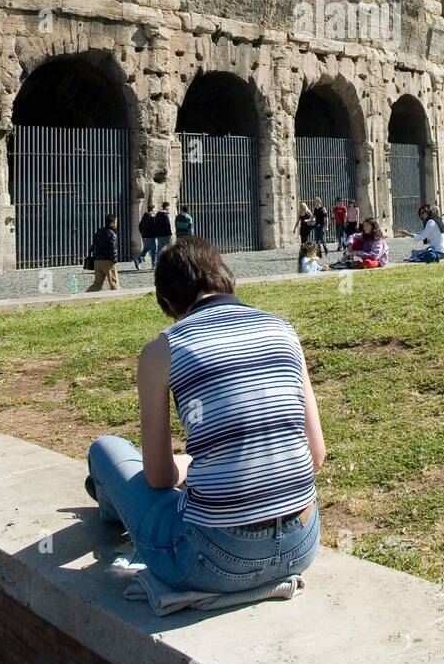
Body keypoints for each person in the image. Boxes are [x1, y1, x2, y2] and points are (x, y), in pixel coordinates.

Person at [86, 237, 324, 594]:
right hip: (302, 544)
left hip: (212, 560)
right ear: (226, 279)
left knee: (106, 450)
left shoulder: (161, 350)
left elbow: (157, 477)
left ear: (167, 302)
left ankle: (114, 508)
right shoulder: (283, 329)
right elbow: (316, 455)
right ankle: (116, 505)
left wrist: (184, 465)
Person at [88, 214, 120, 291]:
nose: (116, 224)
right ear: (112, 223)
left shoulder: (99, 231)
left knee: (97, 284)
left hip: (97, 261)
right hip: (108, 262)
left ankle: (87, 296)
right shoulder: (112, 235)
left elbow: (93, 245)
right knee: (114, 284)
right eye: (115, 222)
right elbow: (113, 249)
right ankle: (117, 298)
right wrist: (114, 260)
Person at [134, 204, 158, 271]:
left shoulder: (144, 217)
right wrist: (155, 234)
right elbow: (154, 227)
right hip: (151, 236)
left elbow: (139, 226)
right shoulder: (152, 217)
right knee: (154, 250)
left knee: (146, 249)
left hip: (144, 236)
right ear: (152, 209)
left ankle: (138, 260)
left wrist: (142, 233)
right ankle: (154, 264)